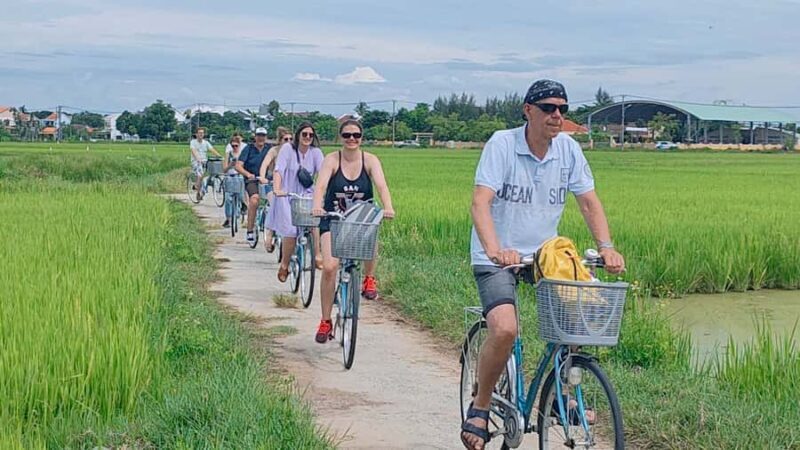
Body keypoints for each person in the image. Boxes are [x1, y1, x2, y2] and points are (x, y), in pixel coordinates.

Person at [460, 79, 626, 450]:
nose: (556, 116)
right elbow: (480, 203)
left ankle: (559, 394)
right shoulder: (502, 144)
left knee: (575, 321)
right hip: (498, 257)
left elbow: (588, 202)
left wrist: (607, 247)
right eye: (549, 108)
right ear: (528, 110)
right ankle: (482, 404)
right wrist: (494, 249)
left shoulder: (568, 150)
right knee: (504, 329)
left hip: (543, 257)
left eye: (563, 109)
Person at [311, 119, 395, 344]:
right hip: (334, 219)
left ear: (362, 138)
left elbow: (381, 185)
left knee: (372, 231)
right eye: (347, 135)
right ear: (340, 137)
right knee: (330, 267)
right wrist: (317, 206)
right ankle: (326, 320)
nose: (351, 139)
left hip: (359, 220)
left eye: (356, 135)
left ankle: (369, 278)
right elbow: (320, 186)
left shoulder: (370, 160)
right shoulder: (332, 160)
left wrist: (387, 207)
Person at [272, 122, 324, 282]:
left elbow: (324, 174)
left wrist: (324, 193)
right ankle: (285, 265)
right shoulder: (288, 149)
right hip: (288, 195)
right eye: (304, 134)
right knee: (291, 231)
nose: (307, 137)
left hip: (308, 195)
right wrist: (277, 188)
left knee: (314, 222)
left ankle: (317, 255)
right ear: (298, 135)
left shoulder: (316, 153)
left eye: (310, 135)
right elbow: (279, 170)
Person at [235, 127, 271, 243]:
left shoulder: (269, 149)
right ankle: (250, 230)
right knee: (254, 200)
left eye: (263, 136)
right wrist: (248, 174)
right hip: (252, 179)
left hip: (266, 179)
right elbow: (238, 165)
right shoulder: (248, 149)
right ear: (255, 137)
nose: (261, 138)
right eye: (259, 135)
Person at [259, 126, 292, 252]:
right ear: (280, 140)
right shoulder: (274, 151)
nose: (288, 141)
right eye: (285, 139)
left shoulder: (295, 152)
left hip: (288, 186)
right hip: (272, 183)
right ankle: (270, 233)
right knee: (275, 203)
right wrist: (262, 177)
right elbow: (265, 164)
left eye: (291, 139)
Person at [189, 127, 221, 201]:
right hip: (196, 162)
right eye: (199, 133)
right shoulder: (193, 142)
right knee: (200, 175)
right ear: (196, 134)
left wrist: (219, 156)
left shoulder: (205, 142)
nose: (201, 134)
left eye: (202, 133)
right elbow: (193, 151)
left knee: (213, 172)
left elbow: (212, 150)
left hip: (205, 161)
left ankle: (203, 190)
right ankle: (197, 189)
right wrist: (198, 158)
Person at [222, 134, 245, 228]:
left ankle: (239, 211)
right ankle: (228, 218)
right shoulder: (229, 154)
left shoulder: (243, 154)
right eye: (233, 146)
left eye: (236, 145)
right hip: (230, 176)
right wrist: (230, 165)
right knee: (228, 198)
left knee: (240, 196)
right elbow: (224, 169)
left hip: (239, 177)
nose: (235, 147)